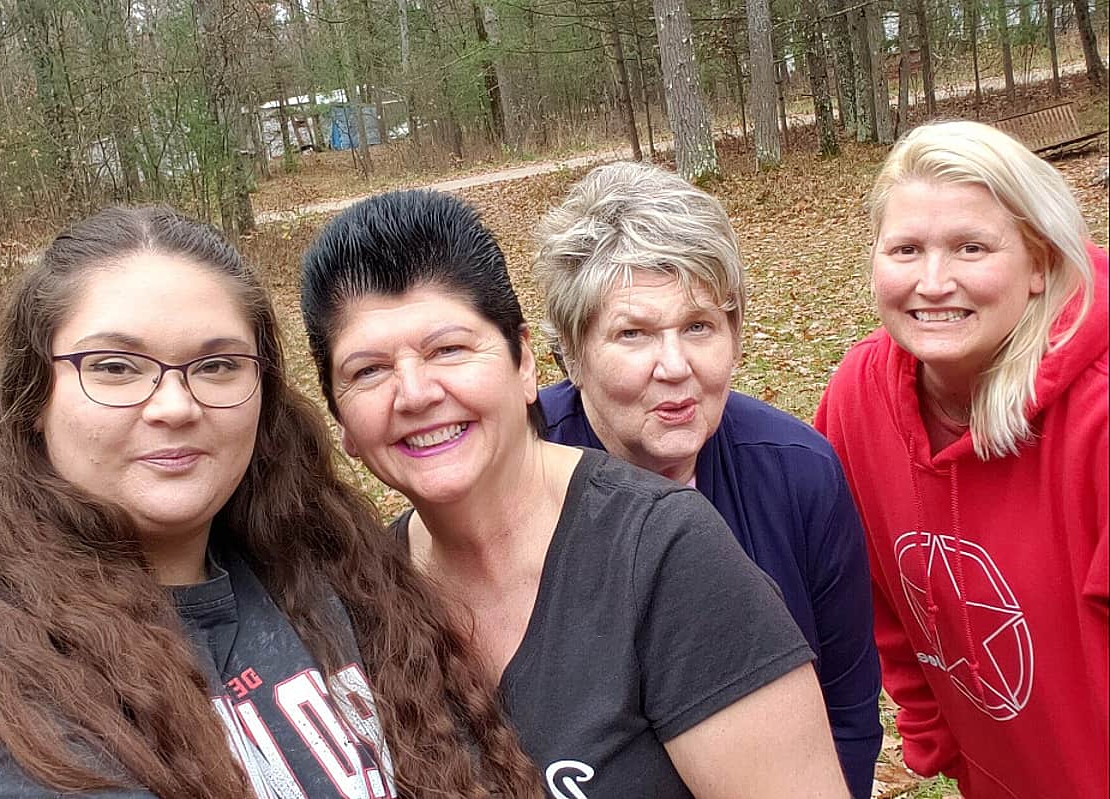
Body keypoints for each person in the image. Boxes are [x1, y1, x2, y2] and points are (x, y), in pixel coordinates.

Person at [0, 206, 541, 798]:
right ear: (35, 396)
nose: (175, 407)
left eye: (216, 366)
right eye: (115, 367)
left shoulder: (336, 579)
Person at [300, 188, 851, 798]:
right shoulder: (354, 613)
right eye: (368, 370)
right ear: (342, 421)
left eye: (449, 349)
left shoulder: (668, 557)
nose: (415, 393)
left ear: (526, 364)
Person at [530, 161, 882, 797]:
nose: (675, 366)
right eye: (633, 333)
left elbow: (848, 710)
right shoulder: (526, 464)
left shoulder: (800, 474)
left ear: (735, 336)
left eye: (698, 327)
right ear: (571, 356)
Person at [814, 120, 1109, 799]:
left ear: (1040, 262)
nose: (934, 280)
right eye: (906, 249)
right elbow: (867, 586)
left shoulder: (1097, 417)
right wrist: (935, 730)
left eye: (971, 247)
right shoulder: (858, 401)